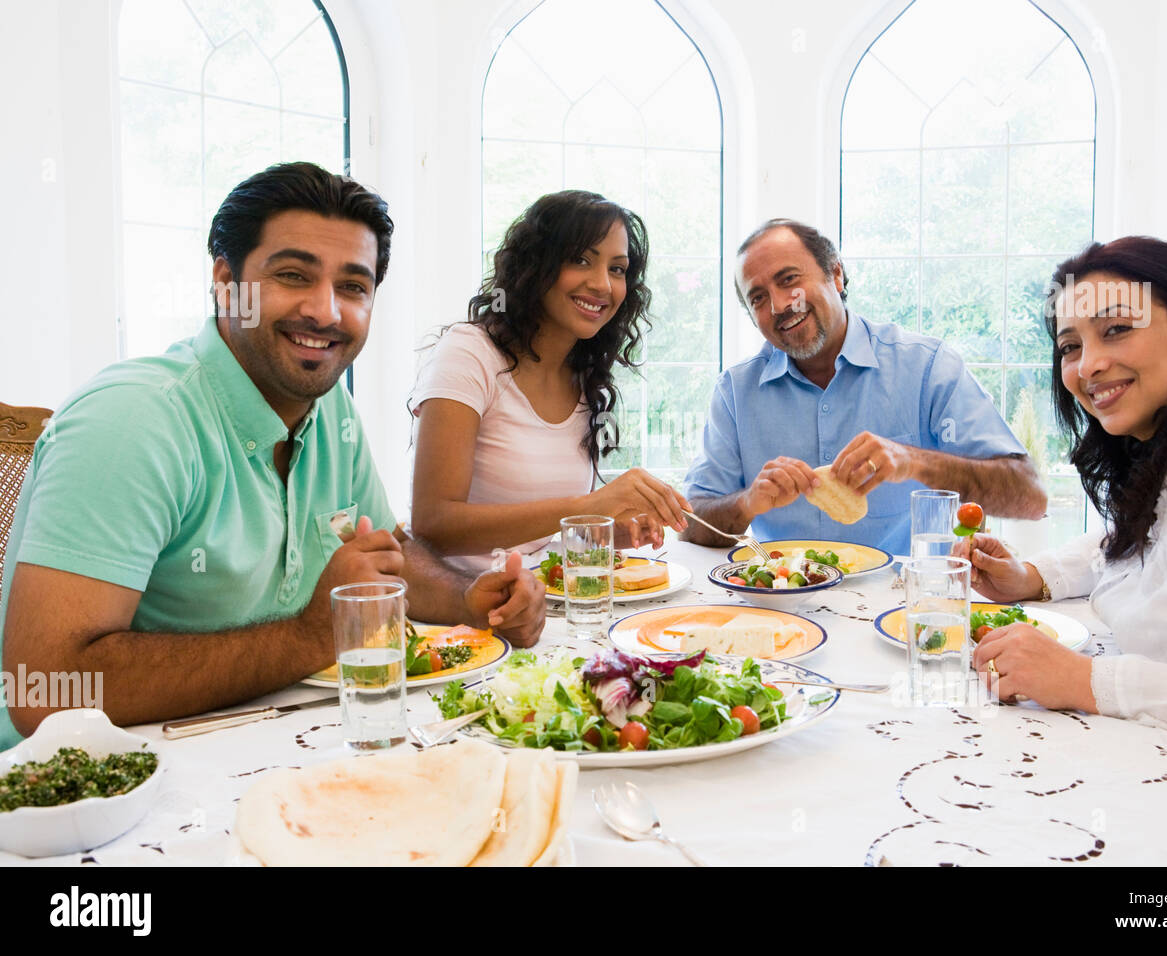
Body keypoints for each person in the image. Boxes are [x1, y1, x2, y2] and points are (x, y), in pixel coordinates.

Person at [0, 162, 545, 746]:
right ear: (225, 281)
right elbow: (45, 686)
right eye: (292, 275)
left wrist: (467, 601)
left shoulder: (327, 405)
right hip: (88, 798)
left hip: (262, 748)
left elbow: (386, 553)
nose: (325, 311)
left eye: (353, 287)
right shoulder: (133, 422)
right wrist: (312, 635)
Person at [953, 236, 1167, 866]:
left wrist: (1087, 680)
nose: (1088, 366)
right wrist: (1032, 576)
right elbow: (1144, 542)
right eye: (1071, 347)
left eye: (1117, 330)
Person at [681, 219, 1047, 556]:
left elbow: (1030, 497)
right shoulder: (736, 391)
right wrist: (748, 502)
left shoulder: (927, 366)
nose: (778, 305)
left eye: (789, 279)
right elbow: (691, 522)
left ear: (836, 275)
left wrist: (913, 461)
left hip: (906, 605)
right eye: (758, 298)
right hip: (785, 611)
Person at [409, 190, 689, 575]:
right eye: (580, 259)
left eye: (617, 269)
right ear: (536, 265)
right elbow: (432, 526)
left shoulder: (582, 376)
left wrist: (608, 530)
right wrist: (587, 508)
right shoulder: (469, 354)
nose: (603, 285)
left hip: (540, 605)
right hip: (455, 614)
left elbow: (538, 533)